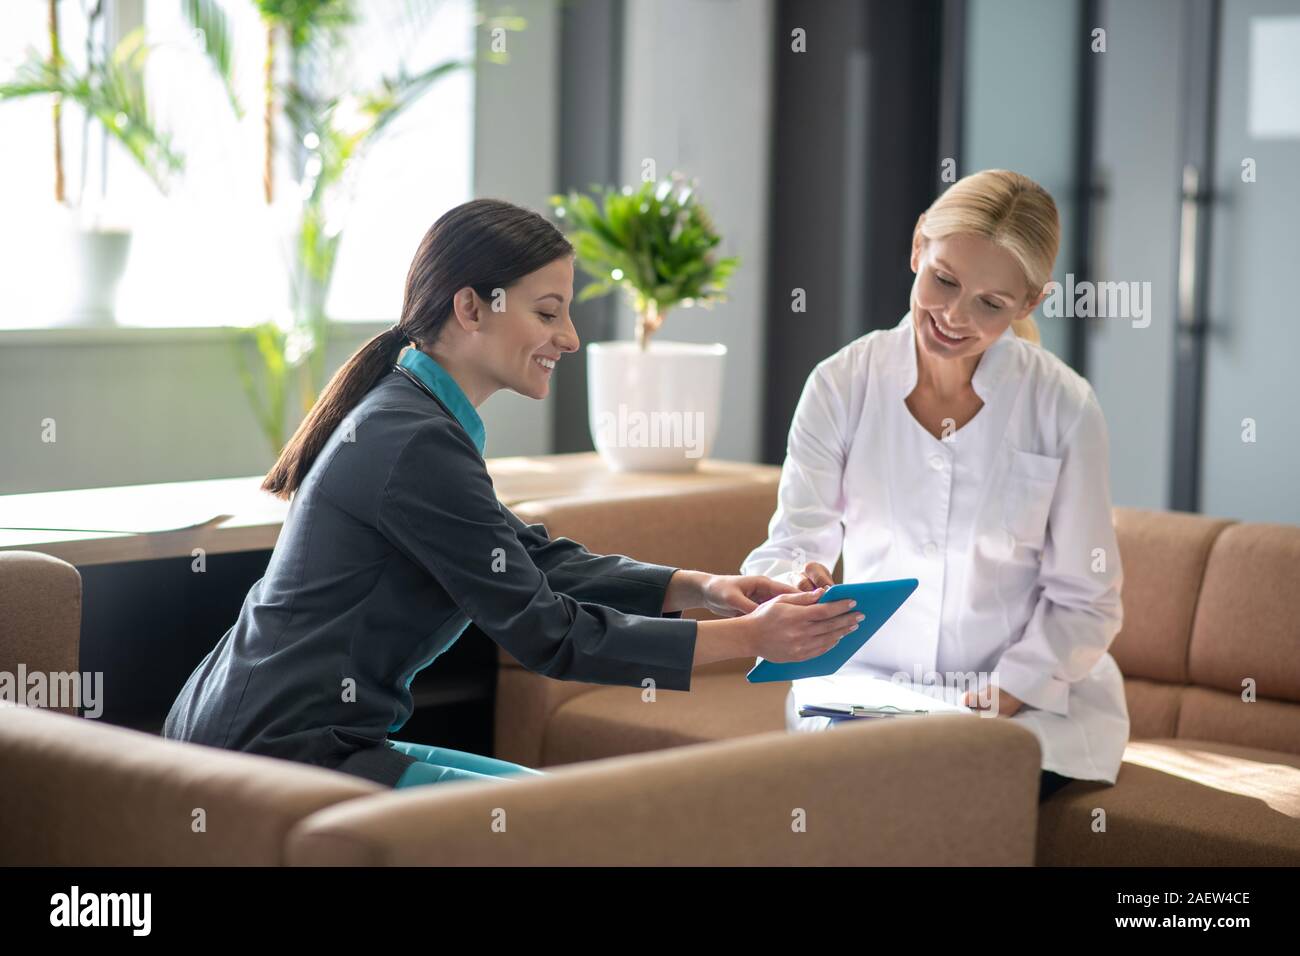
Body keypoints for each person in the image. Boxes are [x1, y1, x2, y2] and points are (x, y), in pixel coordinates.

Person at [164, 198, 862, 789]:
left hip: (287, 738)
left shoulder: (413, 416)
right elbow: (548, 635)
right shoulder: (413, 438)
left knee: (556, 817)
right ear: (472, 307)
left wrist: (704, 587)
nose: (572, 337)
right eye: (549, 312)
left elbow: (528, 557)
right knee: (552, 830)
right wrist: (748, 639)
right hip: (276, 756)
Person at [741, 170, 1128, 803]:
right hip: (865, 690)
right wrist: (796, 583)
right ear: (919, 247)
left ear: (1029, 302)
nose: (953, 315)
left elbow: (1088, 599)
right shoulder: (841, 385)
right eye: (944, 280)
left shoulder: (1064, 407)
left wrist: (1002, 695)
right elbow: (792, 542)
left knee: (947, 789)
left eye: (990, 303)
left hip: (1025, 703)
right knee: (870, 788)